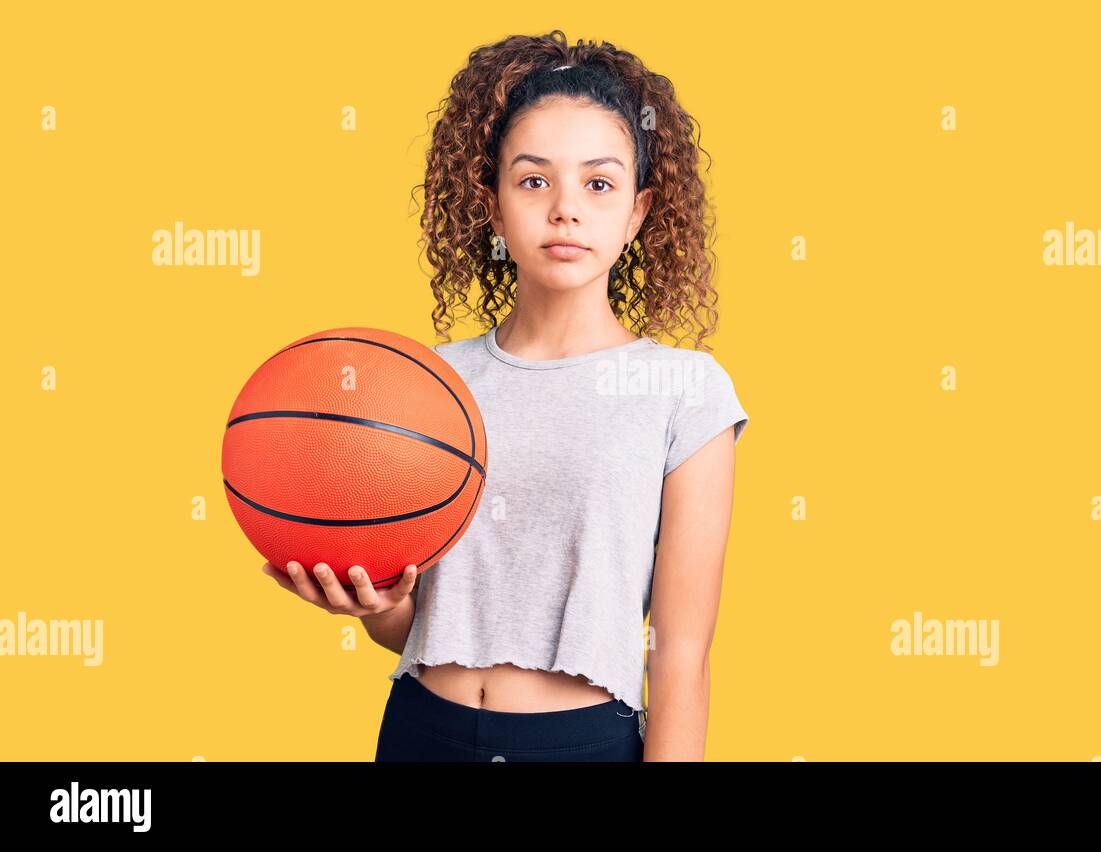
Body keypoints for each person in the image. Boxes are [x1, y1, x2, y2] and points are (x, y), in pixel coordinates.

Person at [260, 30, 749, 761]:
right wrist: (380, 606)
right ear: (491, 206)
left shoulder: (684, 390)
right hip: (422, 730)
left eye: (599, 183)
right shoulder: (428, 385)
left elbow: (681, 655)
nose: (565, 209)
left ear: (639, 213)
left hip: (581, 743)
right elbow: (419, 622)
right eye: (532, 180)